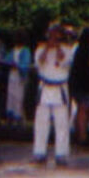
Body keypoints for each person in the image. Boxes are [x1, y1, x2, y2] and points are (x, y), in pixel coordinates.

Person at [33, 24, 75, 165]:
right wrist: (47, 47)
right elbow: (40, 61)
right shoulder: (40, 49)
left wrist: (56, 47)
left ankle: (61, 153)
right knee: (41, 121)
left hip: (59, 88)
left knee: (61, 122)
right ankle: (39, 152)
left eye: (56, 34)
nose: (53, 37)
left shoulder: (67, 50)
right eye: (51, 34)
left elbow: (63, 60)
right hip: (45, 88)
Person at [2, 33, 31, 128]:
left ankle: (18, 118)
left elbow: (26, 64)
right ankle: (10, 117)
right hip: (12, 76)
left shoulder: (25, 50)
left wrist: (18, 65)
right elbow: (6, 60)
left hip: (20, 77)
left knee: (18, 97)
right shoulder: (13, 50)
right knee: (11, 96)